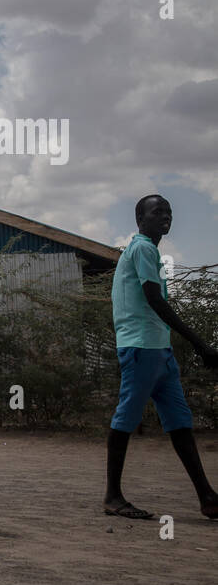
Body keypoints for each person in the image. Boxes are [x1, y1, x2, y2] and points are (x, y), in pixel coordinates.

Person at [104, 195, 218, 520]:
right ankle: (112, 496)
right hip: (140, 348)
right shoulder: (141, 248)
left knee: (180, 422)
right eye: (157, 211)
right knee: (126, 418)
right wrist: (200, 344)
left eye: (168, 211)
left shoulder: (150, 251)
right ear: (140, 218)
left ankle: (206, 495)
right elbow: (155, 300)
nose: (165, 216)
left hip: (159, 350)